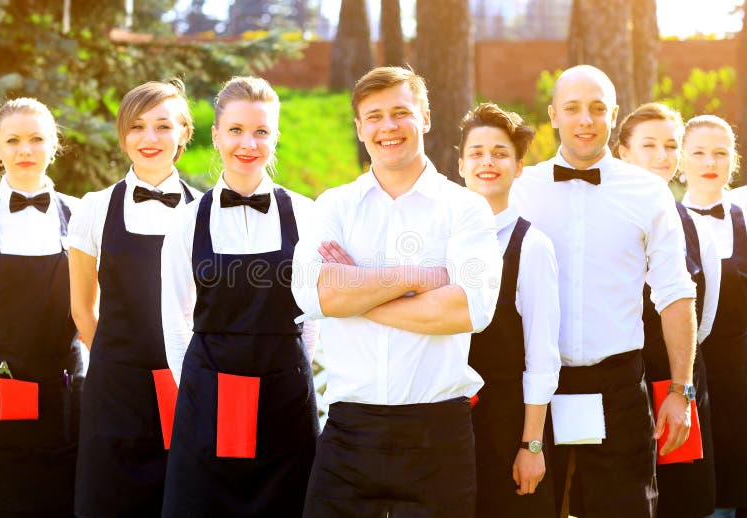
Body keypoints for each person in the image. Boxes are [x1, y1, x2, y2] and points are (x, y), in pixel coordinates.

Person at [292, 66, 503, 517]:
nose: (387, 127)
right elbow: (311, 293)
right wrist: (414, 278)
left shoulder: (465, 209)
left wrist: (357, 293)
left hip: (437, 436)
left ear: (425, 117)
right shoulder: (334, 205)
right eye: (374, 116)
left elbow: (469, 308)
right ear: (359, 128)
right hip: (349, 431)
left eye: (400, 112)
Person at [510, 65, 697, 517]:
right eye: (572, 109)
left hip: (618, 386)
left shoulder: (649, 193)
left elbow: (674, 293)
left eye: (597, 109)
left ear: (614, 114)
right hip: (535, 392)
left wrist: (681, 390)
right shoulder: (521, 189)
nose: (585, 120)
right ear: (553, 115)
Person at [160, 75, 319, 517]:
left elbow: (315, 317)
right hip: (208, 401)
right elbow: (175, 320)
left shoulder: (308, 215)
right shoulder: (186, 221)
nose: (248, 143)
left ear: (276, 137)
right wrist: (200, 394)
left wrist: (288, 367)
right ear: (215, 135)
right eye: (235, 130)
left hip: (285, 401)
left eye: (261, 132)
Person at [0, 98, 82, 516]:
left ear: (54, 145)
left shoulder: (80, 215)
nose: (26, 150)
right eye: (14, 140)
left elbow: (95, 314)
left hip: (63, 398)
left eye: (37, 139)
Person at [69, 79, 198, 517]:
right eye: (137, 126)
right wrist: (115, 364)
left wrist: (184, 373)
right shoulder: (94, 207)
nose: (149, 138)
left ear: (183, 133)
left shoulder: (203, 211)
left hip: (185, 388)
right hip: (114, 389)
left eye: (163, 126)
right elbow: (82, 308)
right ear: (123, 134)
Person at [615, 103, 719, 518]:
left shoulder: (691, 222)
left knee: (680, 498)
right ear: (623, 152)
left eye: (671, 145)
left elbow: (706, 312)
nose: (662, 155)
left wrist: (682, 381)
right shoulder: (606, 216)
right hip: (622, 378)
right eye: (649, 145)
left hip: (679, 377)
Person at [458, 102, 561, 517]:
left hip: (506, 428)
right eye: (477, 152)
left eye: (500, 153)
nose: (487, 162)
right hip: (443, 428)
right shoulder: (438, 240)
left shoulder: (533, 246)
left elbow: (542, 358)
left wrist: (531, 446)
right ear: (460, 164)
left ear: (519, 167)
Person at [680, 114, 747, 518]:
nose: (710, 162)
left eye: (720, 153)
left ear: (733, 160)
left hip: (742, 373)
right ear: (682, 160)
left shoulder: (744, 214)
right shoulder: (665, 219)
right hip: (688, 371)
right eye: (699, 152)